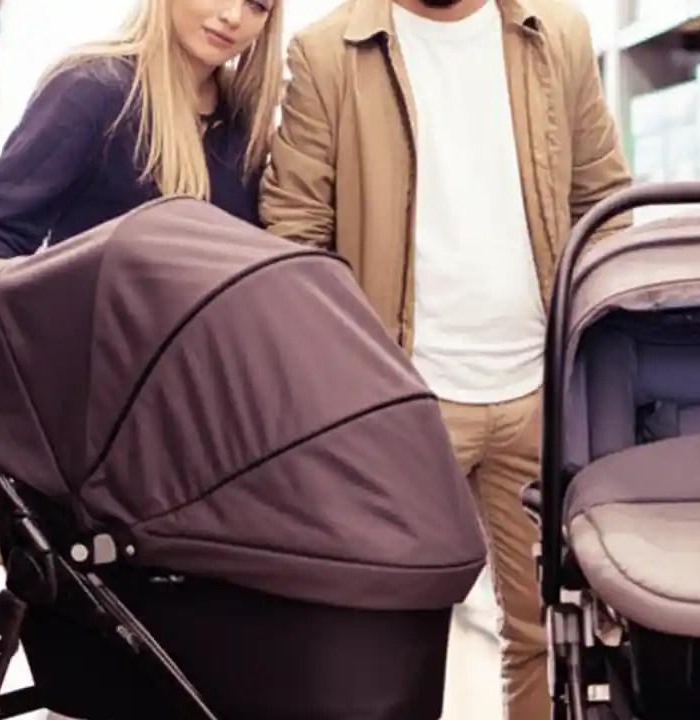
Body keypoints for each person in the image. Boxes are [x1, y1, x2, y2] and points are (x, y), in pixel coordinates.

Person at [259, 0, 632, 717]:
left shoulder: (559, 35)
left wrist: (588, 357)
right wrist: (350, 389)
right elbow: (294, 239)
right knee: (382, 640)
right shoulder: (327, 52)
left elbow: (603, 202)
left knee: (547, 635)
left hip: (540, 396)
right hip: (399, 404)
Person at [0, 0, 283, 269]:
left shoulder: (246, 123)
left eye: (257, 5)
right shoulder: (91, 90)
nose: (234, 16)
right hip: (107, 354)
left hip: (212, 356)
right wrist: (74, 306)